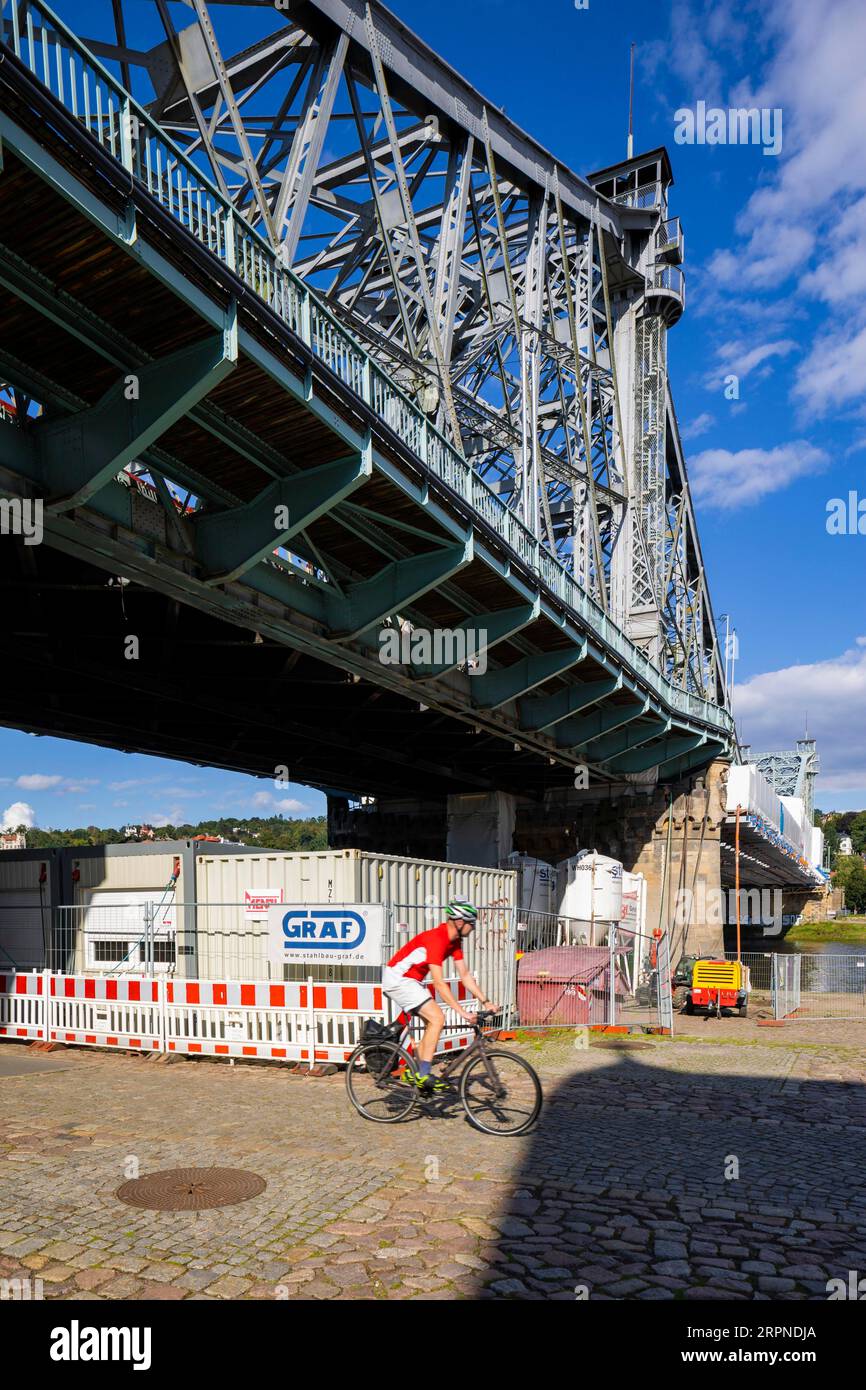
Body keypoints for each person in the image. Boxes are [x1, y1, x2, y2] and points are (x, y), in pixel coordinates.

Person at [382, 901, 498, 1093]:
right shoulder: (438, 938)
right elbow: (439, 983)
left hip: (411, 981)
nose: (473, 927)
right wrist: (463, 1013)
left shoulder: (454, 942)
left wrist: (486, 1001)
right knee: (438, 1018)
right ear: (460, 922)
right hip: (398, 979)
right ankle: (424, 1074)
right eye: (472, 923)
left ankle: (415, 1071)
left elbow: (465, 976)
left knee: (433, 1024)